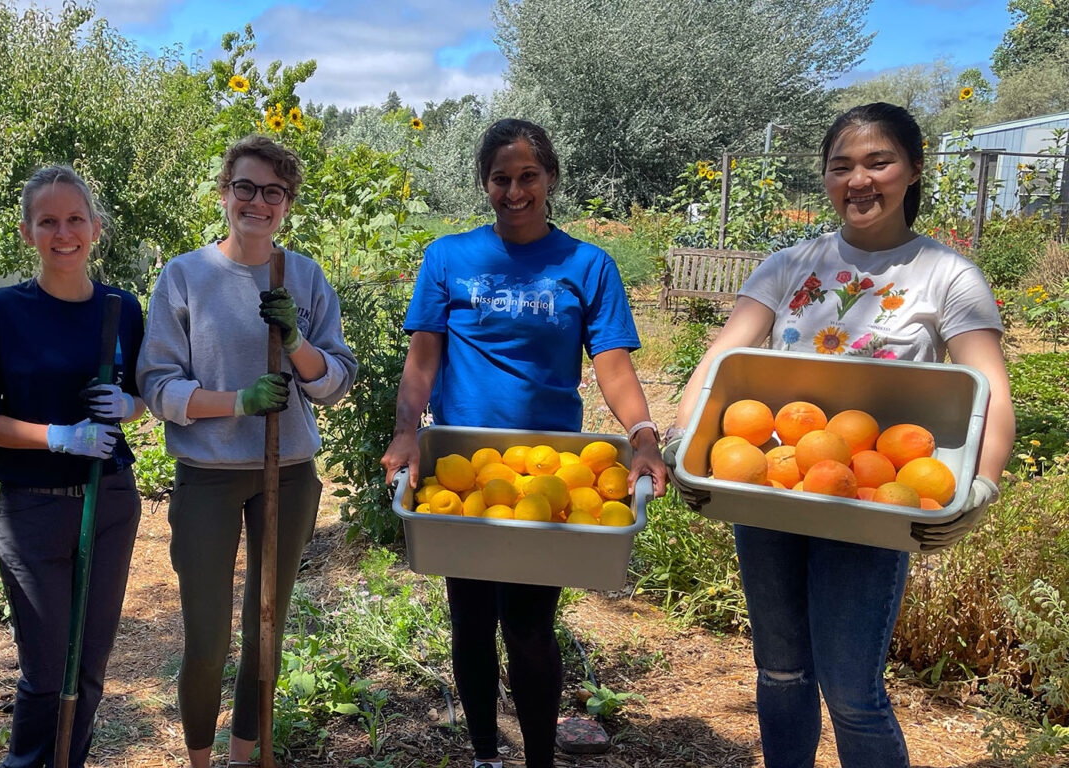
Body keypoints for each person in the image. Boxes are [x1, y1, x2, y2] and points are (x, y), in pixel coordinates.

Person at [667, 102, 1015, 767]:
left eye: (878, 161)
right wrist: (687, 445)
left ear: (913, 169)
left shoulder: (948, 276)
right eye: (841, 166)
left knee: (852, 690)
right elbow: (722, 356)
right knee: (781, 672)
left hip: (872, 507)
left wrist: (981, 485)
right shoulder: (787, 265)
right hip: (770, 488)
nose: (860, 179)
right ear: (826, 178)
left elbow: (989, 389)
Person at [379, 118, 667, 768]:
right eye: (501, 178)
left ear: (551, 179)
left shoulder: (587, 265)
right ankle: (486, 753)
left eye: (527, 176)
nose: (515, 190)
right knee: (472, 621)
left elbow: (614, 367)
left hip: (552, 474)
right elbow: (423, 360)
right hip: (462, 473)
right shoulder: (447, 258)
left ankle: (539, 758)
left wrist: (643, 436)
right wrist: (405, 431)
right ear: (484, 184)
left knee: (531, 625)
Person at [137, 135, 357, 768]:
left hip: (288, 472)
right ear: (224, 190)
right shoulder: (186, 275)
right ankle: (200, 760)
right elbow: (157, 385)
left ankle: (244, 757)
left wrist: (294, 340)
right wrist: (236, 401)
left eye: (273, 192)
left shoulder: (304, 276)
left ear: (286, 203)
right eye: (246, 187)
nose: (257, 202)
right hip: (207, 475)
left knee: (266, 632)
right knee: (206, 640)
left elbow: (335, 380)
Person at [0, 165, 145, 768]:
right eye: (48, 222)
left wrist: (132, 405)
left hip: (110, 501)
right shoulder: (1, 312)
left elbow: (146, 394)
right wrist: (60, 437)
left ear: (95, 228)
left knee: (88, 670)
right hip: (34, 508)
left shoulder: (124, 309)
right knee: (46, 672)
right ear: (27, 232)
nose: (63, 233)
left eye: (74, 220)